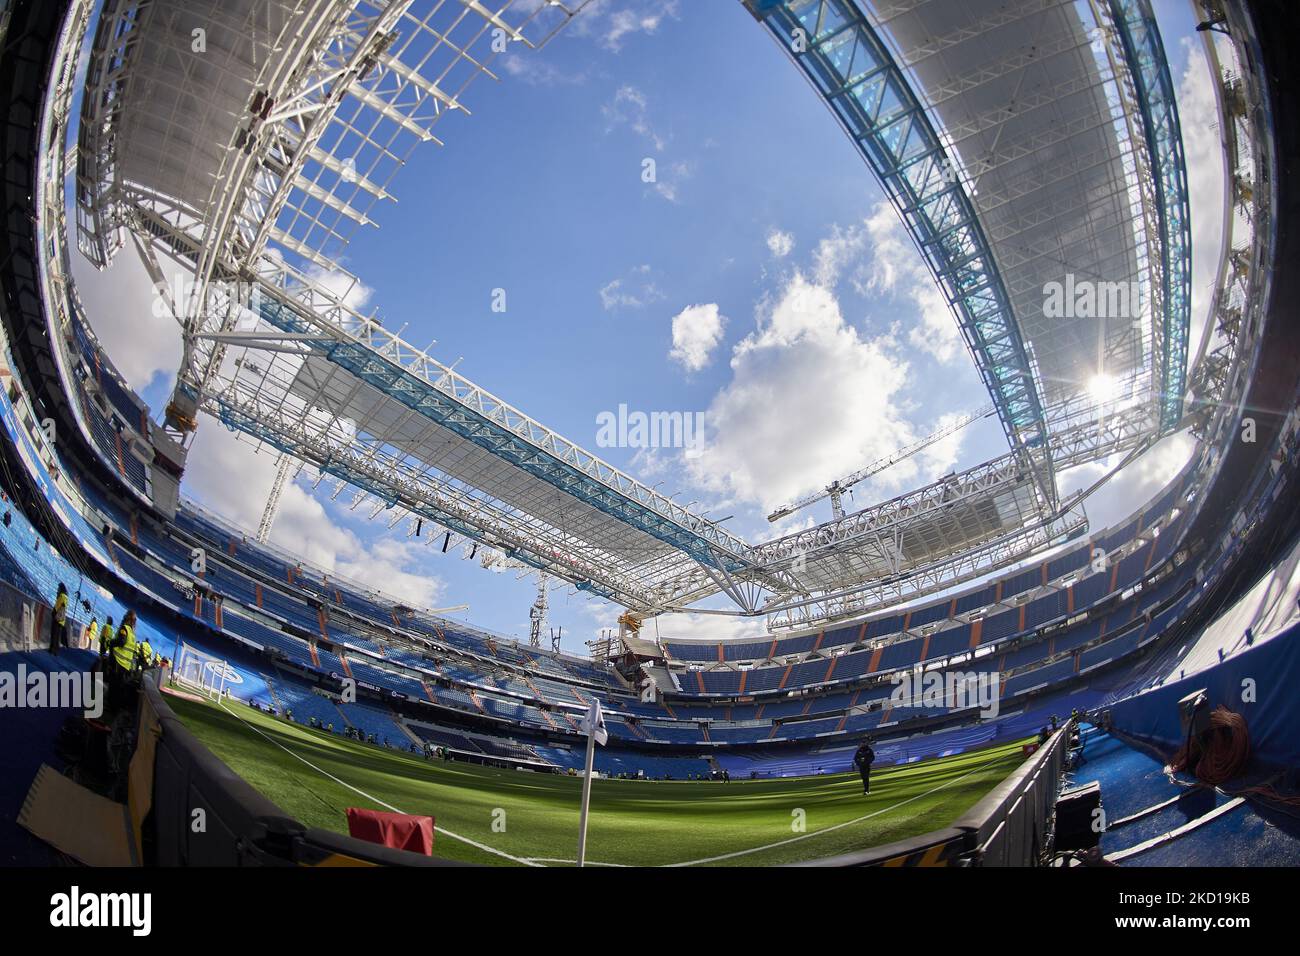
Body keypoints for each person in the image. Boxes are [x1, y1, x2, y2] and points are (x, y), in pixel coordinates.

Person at [49, 583, 69, 655]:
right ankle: (56, 650)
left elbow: (57, 606)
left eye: (58, 588)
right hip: (62, 620)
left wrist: (53, 613)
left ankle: (52, 649)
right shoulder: (66, 597)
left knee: (54, 634)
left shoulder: (61, 596)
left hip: (57, 618)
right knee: (57, 635)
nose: (57, 589)